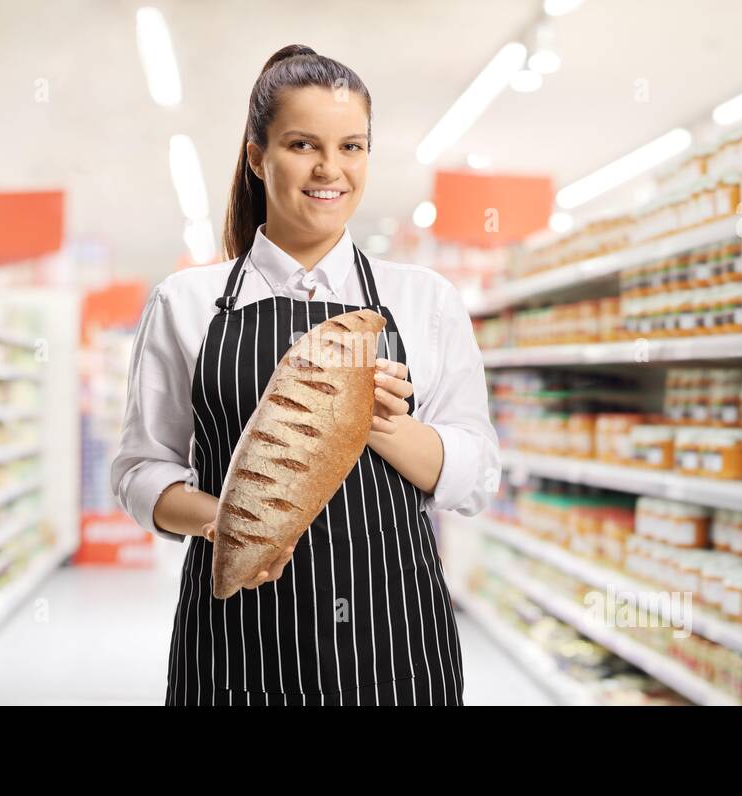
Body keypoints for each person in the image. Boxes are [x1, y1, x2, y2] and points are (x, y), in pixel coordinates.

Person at [111, 44, 499, 706]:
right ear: (258, 156)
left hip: (393, 644)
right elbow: (138, 473)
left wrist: (374, 420)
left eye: (352, 146)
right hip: (239, 644)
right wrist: (226, 523)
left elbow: (478, 475)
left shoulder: (424, 299)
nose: (330, 169)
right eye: (302, 144)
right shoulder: (188, 302)